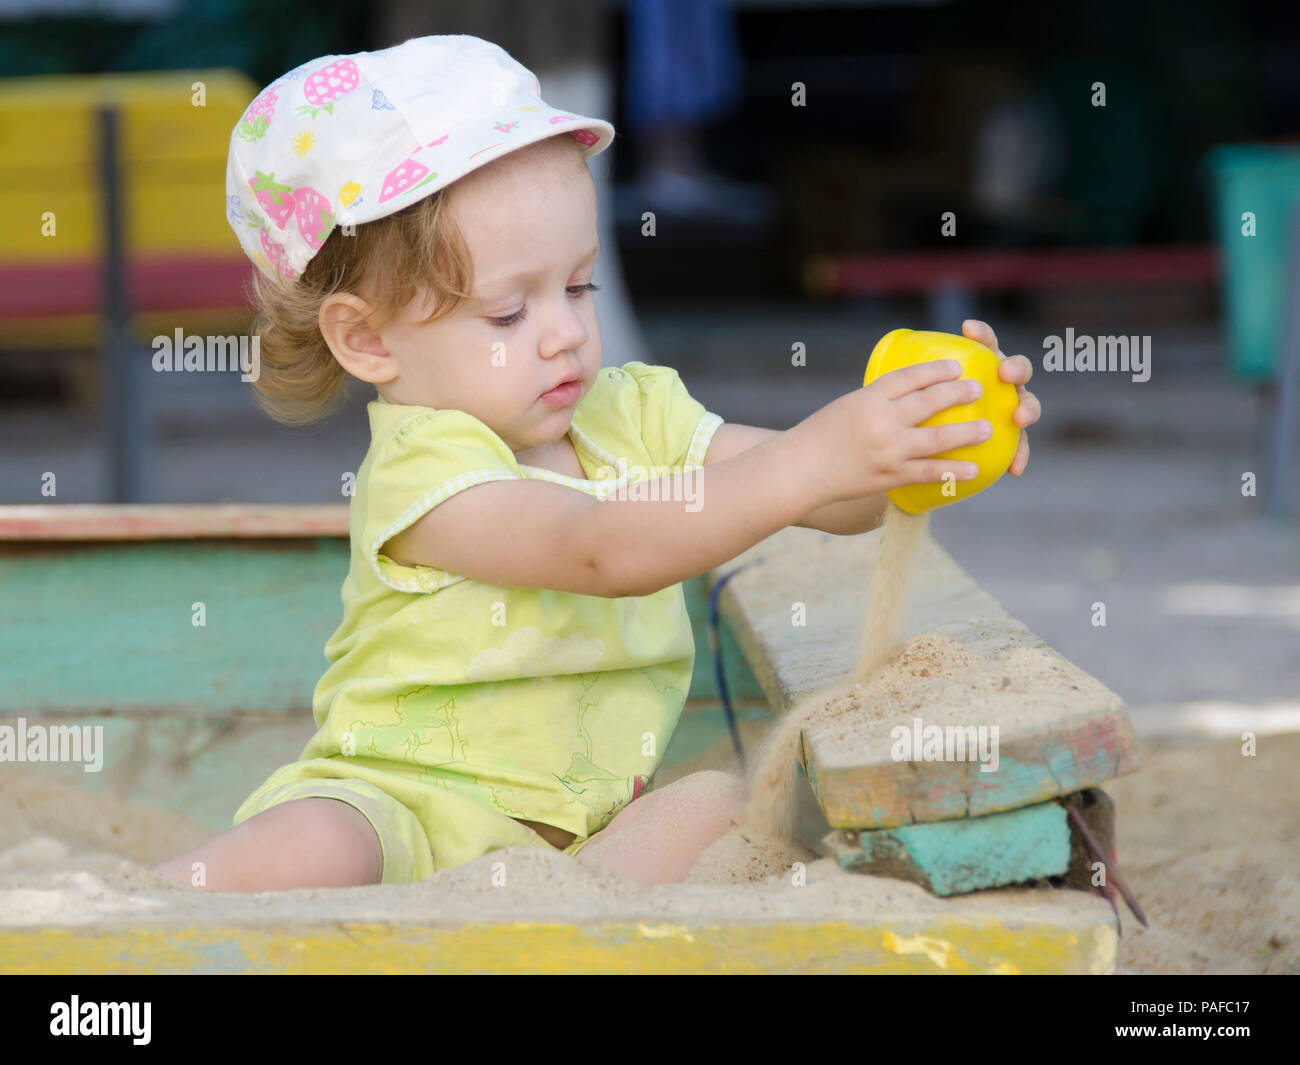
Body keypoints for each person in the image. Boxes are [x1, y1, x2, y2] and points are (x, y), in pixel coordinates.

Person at [152, 34, 1040, 893]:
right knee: (318, 840)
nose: (566, 333)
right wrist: (819, 456)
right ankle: (129, 905)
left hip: (578, 852)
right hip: (400, 818)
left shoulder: (633, 411)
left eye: (579, 286)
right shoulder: (423, 473)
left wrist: (916, 447)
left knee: (722, 803)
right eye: (507, 313)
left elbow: (816, 498)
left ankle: (531, 935)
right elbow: (598, 548)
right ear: (366, 337)